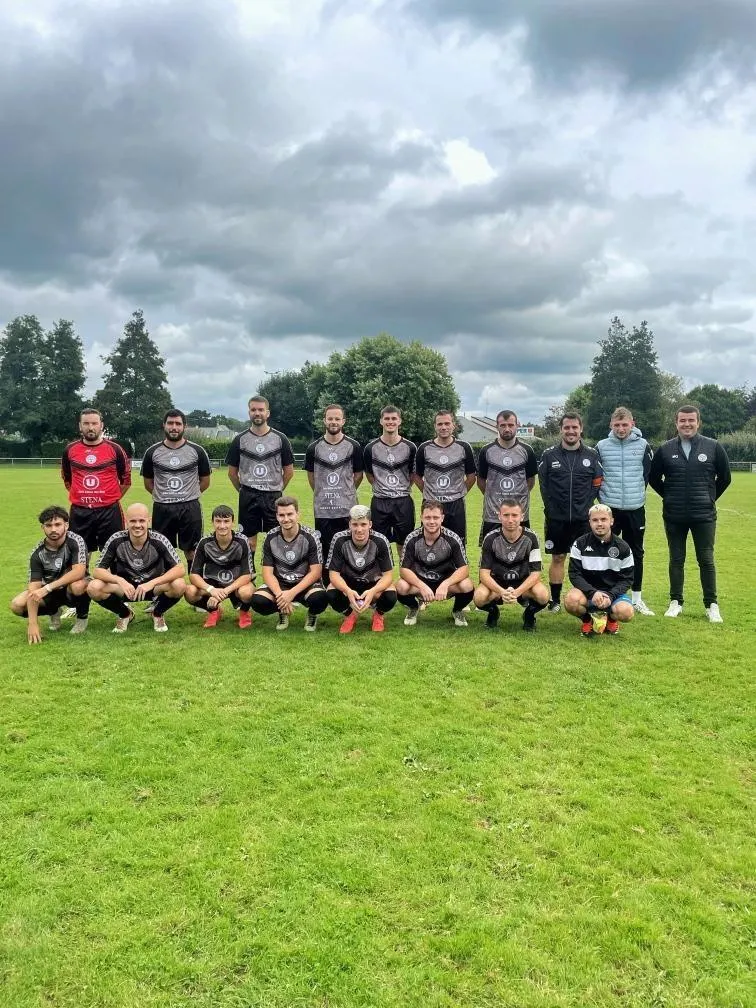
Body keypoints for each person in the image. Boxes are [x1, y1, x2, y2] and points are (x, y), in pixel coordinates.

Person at [649, 404, 732, 622]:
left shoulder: (713, 447)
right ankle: (676, 602)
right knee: (676, 559)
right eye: (682, 421)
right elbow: (654, 478)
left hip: (703, 516)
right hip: (674, 516)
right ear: (676, 423)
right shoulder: (665, 449)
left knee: (706, 559)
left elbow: (725, 478)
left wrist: (709, 498)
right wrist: (670, 497)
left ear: (698, 422)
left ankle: (711, 604)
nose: (687, 424)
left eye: (691, 420)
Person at [537, 412, 603, 613]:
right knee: (558, 558)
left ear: (581, 429)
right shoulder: (549, 455)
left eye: (575, 427)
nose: (571, 431)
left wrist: (586, 505)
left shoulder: (591, 455)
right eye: (567, 427)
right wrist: (552, 508)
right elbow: (543, 484)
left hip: (583, 519)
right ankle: (555, 601)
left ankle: (585, 597)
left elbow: (597, 483)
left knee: (585, 559)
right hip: (557, 519)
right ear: (561, 430)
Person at [87, 503, 186, 633]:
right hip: (124, 588)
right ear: (126, 522)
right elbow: (97, 571)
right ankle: (125, 614)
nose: (137, 525)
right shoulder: (116, 539)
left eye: (141, 521)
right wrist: (119, 580)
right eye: (133, 521)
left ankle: (157, 613)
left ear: (149, 521)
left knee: (179, 585)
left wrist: (152, 583)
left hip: (152, 588)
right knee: (94, 587)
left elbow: (180, 569)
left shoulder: (159, 539)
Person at [596, 406, 655, 615]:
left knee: (635, 553)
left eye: (625, 424)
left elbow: (647, 474)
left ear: (633, 424)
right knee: (606, 553)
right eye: (617, 425)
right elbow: (597, 475)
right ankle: (605, 596)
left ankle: (637, 598)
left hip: (634, 508)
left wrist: (635, 494)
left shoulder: (643, 445)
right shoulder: (602, 446)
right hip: (609, 508)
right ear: (611, 425)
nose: (621, 429)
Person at [141, 409, 212, 567]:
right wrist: (164, 496)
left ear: (184, 426)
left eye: (178, 424)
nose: (174, 427)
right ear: (164, 425)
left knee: (192, 551)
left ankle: (195, 589)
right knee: (161, 550)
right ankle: (166, 589)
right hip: (162, 508)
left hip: (190, 508)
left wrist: (188, 494)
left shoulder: (197, 451)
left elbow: (205, 481)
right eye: (170, 423)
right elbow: (148, 483)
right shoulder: (152, 452)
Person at [225, 395, 295, 556]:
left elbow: (289, 471)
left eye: (261, 410)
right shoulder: (239, 439)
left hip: (273, 496)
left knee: (277, 538)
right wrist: (244, 490)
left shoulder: (280, 439)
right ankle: (250, 578)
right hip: (248, 496)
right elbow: (232, 473)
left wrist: (276, 489)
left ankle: (277, 578)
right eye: (253, 410)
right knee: (249, 541)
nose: (257, 413)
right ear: (249, 413)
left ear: (267, 413)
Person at [10, 506, 90, 643]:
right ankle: (54, 611)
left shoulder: (75, 541)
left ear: (66, 525)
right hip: (50, 592)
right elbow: (33, 589)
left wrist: (47, 588)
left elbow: (79, 571)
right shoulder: (37, 553)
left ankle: (82, 618)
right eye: (48, 525)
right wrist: (33, 623)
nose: (53, 529)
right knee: (17, 605)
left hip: (71, 588)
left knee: (79, 585)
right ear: (43, 528)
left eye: (58, 524)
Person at [250, 495, 328, 631]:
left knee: (320, 598)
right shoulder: (270, 537)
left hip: (304, 584)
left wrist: (291, 594)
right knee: (258, 602)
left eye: (290, 514)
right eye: (282, 515)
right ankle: (282, 610)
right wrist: (281, 596)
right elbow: (267, 573)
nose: (286, 519)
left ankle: (312, 614)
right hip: (281, 584)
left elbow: (316, 572)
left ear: (298, 514)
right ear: (277, 516)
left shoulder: (311, 536)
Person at [60, 407, 131, 552]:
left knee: (115, 553)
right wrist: (83, 495)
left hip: (109, 511)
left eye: (94, 423)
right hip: (80, 511)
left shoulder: (115, 449)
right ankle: (83, 575)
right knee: (79, 554)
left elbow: (126, 480)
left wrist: (108, 498)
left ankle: (112, 575)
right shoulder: (70, 450)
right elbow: (67, 478)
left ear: (101, 425)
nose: (90, 427)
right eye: (86, 423)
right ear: (80, 426)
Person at [395, 499, 475, 627]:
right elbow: (404, 570)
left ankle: (457, 610)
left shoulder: (452, 538)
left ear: (442, 518)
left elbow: (464, 569)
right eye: (427, 517)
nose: (432, 521)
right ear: (421, 517)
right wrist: (422, 586)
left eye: (435, 517)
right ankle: (413, 608)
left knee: (467, 585)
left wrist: (446, 584)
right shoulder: (412, 538)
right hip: (421, 582)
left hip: (445, 583)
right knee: (401, 586)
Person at [474, 499, 548, 631]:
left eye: (514, 515)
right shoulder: (490, 538)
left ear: (522, 516)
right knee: (479, 597)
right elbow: (484, 574)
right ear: (499, 516)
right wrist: (502, 592)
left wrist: (517, 592)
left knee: (543, 595)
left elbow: (536, 573)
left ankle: (529, 615)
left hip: (522, 583)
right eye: (506, 515)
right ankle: (493, 613)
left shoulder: (531, 537)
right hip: (498, 583)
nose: (510, 519)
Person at [305, 405, 364, 566]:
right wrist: (322, 492)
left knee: (348, 547)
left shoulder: (354, 446)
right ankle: (326, 584)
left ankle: (346, 582)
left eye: (337, 419)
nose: (333, 422)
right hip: (323, 510)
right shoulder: (313, 448)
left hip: (346, 508)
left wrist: (346, 491)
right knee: (324, 549)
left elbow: (359, 474)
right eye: (330, 418)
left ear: (343, 421)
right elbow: (311, 476)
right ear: (324, 420)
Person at [565, 503, 635, 636]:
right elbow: (574, 574)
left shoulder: (623, 547)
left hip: (613, 594)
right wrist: (592, 592)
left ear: (611, 521)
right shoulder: (579, 544)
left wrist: (610, 595)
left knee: (626, 613)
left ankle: (611, 619)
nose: (599, 524)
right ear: (589, 522)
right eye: (595, 520)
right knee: (571, 601)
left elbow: (627, 579)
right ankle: (587, 620)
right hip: (587, 593)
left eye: (604, 519)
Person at [326, 504, 396, 634]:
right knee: (331, 592)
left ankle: (378, 614)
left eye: (363, 524)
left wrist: (373, 591)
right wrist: (347, 590)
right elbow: (333, 575)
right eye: (355, 524)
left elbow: (388, 576)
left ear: (370, 524)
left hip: (373, 583)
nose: (359, 529)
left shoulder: (381, 541)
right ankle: (350, 615)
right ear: (349, 525)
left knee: (391, 594)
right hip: (349, 583)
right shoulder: (339, 539)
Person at [185, 505, 255, 629]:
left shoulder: (242, 541)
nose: (222, 526)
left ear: (233, 522)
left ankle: (244, 612)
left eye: (226, 521)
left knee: (247, 592)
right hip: (214, 584)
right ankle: (214, 611)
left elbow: (247, 575)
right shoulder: (204, 542)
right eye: (218, 521)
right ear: (212, 522)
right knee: (190, 592)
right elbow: (193, 575)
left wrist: (226, 591)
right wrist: (211, 589)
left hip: (235, 584)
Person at [476, 409, 537, 544]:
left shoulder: (527, 450)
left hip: (519, 514)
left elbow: (531, 480)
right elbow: (480, 480)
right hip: (493, 515)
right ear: (496, 426)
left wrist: (520, 495)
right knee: (491, 554)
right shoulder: (486, 451)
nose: (507, 429)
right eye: (503, 425)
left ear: (517, 425)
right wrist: (492, 495)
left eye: (510, 425)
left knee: (521, 553)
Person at [414, 410, 476, 541]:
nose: (443, 427)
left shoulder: (464, 447)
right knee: (428, 542)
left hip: (455, 504)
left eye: (447, 423)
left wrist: (459, 493)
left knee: (458, 543)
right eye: (440, 424)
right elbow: (417, 477)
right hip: (430, 503)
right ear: (435, 426)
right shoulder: (424, 448)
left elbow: (471, 477)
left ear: (454, 425)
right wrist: (429, 493)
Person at [363, 405, 417, 555]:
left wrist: (400, 488)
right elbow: (369, 475)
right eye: (387, 418)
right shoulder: (370, 448)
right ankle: (382, 577)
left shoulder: (410, 447)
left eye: (394, 418)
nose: (390, 421)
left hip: (403, 501)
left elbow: (412, 474)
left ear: (400, 421)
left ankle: (404, 578)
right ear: (381, 421)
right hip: (380, 501)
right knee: (378, 544)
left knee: (404, 544)